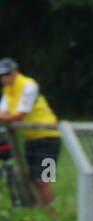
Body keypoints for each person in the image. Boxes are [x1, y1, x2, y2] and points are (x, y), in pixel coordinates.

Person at [0, 58, 60, 208]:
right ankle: (44, 211)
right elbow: (3, 112)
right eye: (1, 75)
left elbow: (20, 114)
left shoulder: (28, 85)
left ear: (16, 72)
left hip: (49, 137)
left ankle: (53, 213)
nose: (4, 78)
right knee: (34, 180)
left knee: (44, 179)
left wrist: (5, 117)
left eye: (7, 73)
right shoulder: (7, 90)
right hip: (31, 139)